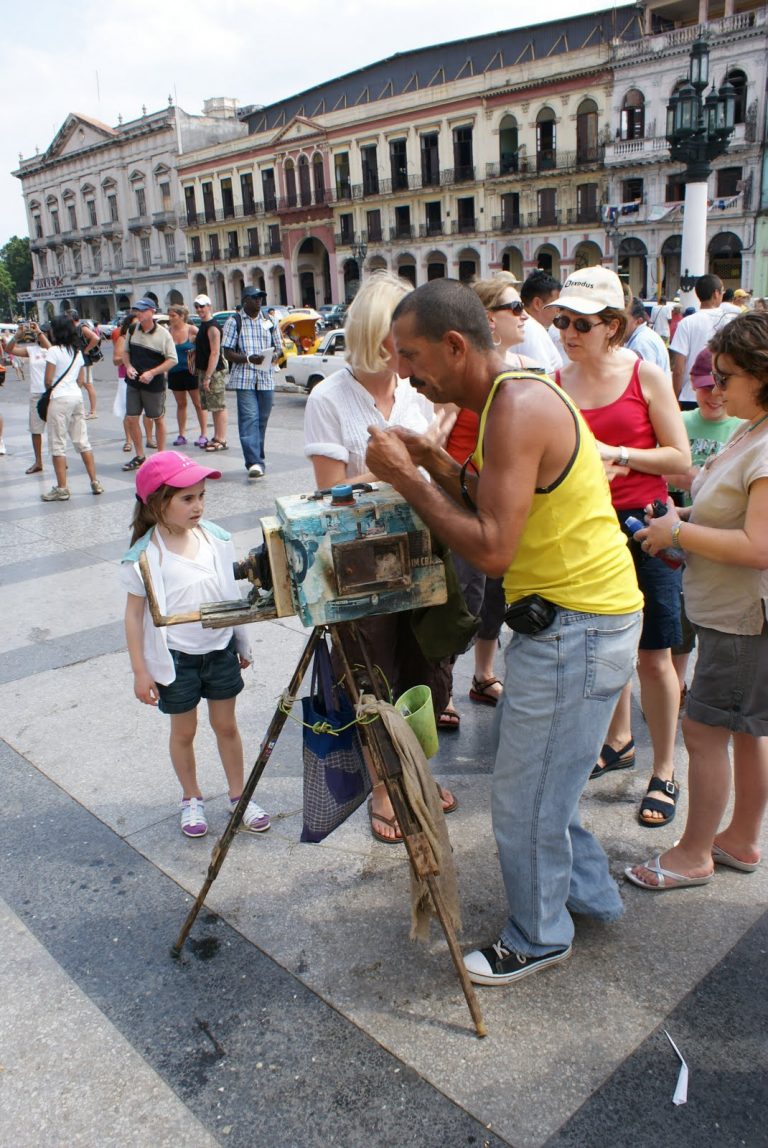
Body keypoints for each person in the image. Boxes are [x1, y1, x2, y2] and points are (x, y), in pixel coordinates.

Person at [364, 278, 642, 984]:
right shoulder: (505, 399)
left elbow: (491, 548)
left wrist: (406, 480)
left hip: (577, 626)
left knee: (525, 799)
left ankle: (540, 935)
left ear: (456, 345)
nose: (404, 371)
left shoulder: (516, 406)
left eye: (412, 355)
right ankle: (587, 896)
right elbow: (495, 502)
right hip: (578, 620)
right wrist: (435, 465)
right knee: (553, 782)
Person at [303, 270, 457, 842]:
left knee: (426, 669)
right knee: (374, 674)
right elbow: (327, 495)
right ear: (380, 334)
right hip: (360, 561)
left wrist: (424, 460)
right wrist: (396, 464)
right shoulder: (329, 396)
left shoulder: (414, 391)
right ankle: (385, 786)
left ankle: (416, 769)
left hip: (421, 550)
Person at [626, 311, 768, 889]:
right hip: (732, 614)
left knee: (705, 732)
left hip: (741, 617)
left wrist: (677, 534)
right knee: (744, 731)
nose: (713, 385)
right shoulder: (751, 428)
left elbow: (758, 546)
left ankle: (693, 854)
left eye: (727, 375)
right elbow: (722, 505)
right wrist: (679, 516)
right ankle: (739, 840)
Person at [552, 267, 691, 827]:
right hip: (590, 529)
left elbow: (681, 461)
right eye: (561, 320)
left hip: (648, 526)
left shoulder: (646, 375)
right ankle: (618, 742)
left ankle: (664, 769)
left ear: (612, 326)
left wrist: (619, 454)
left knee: (654, 655)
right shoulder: (558, 382)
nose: (567, 332)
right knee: (604, 646)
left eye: (581, 323)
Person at [121, 450, 271, 839]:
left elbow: (230, 595)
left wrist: (241, 641)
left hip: (219, 650)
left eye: (202, 496)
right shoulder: (143, 558)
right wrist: (141, 671)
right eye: (187, 498)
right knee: (184, 731)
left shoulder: (216, 538)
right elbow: (133, 617)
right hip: (175, 660)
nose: (198, 506)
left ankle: (239, 795)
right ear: (156, 503)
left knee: (226, 725)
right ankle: (191, 797)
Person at [439, 274, 534, 723]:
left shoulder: (527, 368)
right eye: (514, 307)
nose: (525, 315)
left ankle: (482, 675)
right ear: (488, 320)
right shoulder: (468, 378)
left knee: (494, 596)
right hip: (465, 499)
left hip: (504, 499)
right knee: (461, 598)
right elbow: (438, 437)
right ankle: (443, 688)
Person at [665, 347, 745, 705]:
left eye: (720, 385)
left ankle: (702, 692)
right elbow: (662, 467)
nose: (714, 395)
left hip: (720, 549)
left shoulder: (744, 429)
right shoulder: (680, 421)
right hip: (680, 534)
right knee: (680, 621)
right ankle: (677, 686)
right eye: (704, 387)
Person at [40, 314, 104, 501]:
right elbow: (81, 380)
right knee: (82, 441)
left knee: (58, 444)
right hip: (77, 398)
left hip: (59, 399)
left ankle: (62, 488)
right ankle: (95, 481)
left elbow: (48, 380)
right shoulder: (78, 352)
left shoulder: (54, 351)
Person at [222, 286, 283, 477]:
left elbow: (279, 347)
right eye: (255, 298)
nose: (259, 301)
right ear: (245, 300)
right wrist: (249, 358)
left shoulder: (270, 320)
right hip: (245, 378)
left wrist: (274, 355)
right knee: (249, 419)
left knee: (262, 420)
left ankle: (258, 456)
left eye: (261, 297)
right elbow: (227, 351)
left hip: (266, 377)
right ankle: (254, 462)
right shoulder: (235, 321)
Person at [121, 298, 177, 471]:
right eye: (137, 310)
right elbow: (125, 352)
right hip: (133, 381)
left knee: (157, 417)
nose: (139, 313)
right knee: (131, 418)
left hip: (153, 384)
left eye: (142, 310)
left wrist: (152, 372)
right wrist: (128, 367)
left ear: (152, 311)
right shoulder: (132, 329)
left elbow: (172, 360)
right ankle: (140, 455)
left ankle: (161, 456)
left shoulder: (163, 334)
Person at [670, 274, 735, 408]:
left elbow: (678, 369)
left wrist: (675, 398)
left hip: (690, 395)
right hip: (723, 395)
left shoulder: (686, 323)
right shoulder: (731, 321)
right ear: (716, 293)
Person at [3, 321, 51, 473]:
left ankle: (59, 457)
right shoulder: (32, 350)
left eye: (41, 332)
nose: (37, 334)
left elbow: (51, 349)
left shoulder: (55, 349)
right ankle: (38, 461)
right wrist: (16, 336)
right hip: (36, 393)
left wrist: (39, 332)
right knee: (35, 429)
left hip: (53, 393)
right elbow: (9, 349)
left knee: (57, 429)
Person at [167, 304, 207, 447]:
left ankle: (203, 434)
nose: (170, 318)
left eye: (173, 315)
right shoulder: (168, 331)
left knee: (198, 403)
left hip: (191, 372)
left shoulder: (191, 329)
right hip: (174, 372)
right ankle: (182, 435)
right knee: (181, 404)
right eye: (169, 315)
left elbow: (206, 344)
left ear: (182, 316)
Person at [515, 270, 563, 374]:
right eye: (556, 304)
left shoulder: (526, 327)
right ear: (537, 303)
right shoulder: (531, 329)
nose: (558, 310)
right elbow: (542, 378)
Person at [625, 297, 672, 379]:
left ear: (638, 321)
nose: (618, 324)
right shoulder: (642, 336)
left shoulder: (641, 343)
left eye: (623, 320)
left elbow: (644, 383)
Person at [69, 309, 100, 418]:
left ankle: (93, 411)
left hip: (84, 360)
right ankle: (81, 410)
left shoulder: (82, 327)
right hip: (78, 358)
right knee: (80, 384)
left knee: (87, 384)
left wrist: (86, 350)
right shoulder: (74, 328)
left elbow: (95, 338)